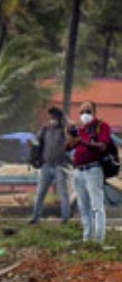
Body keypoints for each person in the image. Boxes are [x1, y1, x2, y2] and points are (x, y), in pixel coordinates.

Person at [67, 100, 111, 243]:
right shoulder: (81, 129)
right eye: (81, 112)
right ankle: (87, 238)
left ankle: (98, 240)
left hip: (93, 169)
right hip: (78, 171)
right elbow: (68, 147)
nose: (84, 115)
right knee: (83, 206)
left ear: (94, 112)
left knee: (97, 206)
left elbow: (102, 146)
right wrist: (70, 135)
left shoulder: (102, 126)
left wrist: (82, 141)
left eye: (88, 111)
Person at [30, 107, 71, 224]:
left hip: (60, 165)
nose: (52, 119)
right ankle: (35, 217)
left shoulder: (63, 129)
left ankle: (65, 217)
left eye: (55, 117)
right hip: (46, 165)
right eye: (51, 116)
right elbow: (37, 143)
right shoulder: (45, 129)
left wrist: (64, 121)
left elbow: (70, 134)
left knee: (63, 193)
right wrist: (34, 157)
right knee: (41, 192)